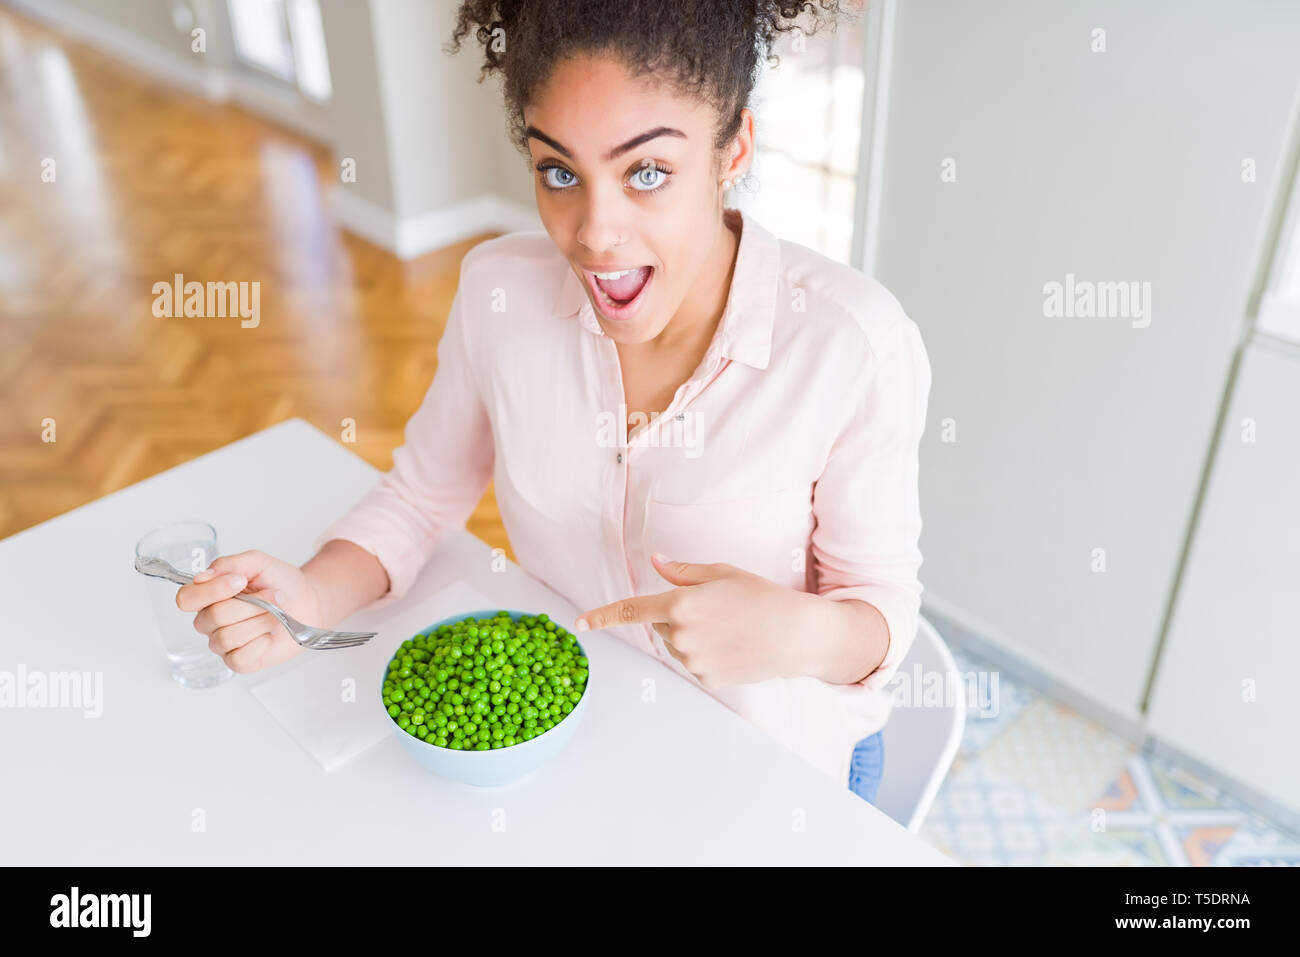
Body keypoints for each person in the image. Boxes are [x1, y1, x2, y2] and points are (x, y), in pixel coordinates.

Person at [176, 0, 930, 807]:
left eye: (648, 172)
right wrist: (314, 595)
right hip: (586, 739)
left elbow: (879, 611)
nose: (594, 233)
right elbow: (420, 494)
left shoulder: (851, 345)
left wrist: (797, 632)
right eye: (559, 172)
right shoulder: (498, 294)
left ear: (732, 148)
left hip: (779, 776)